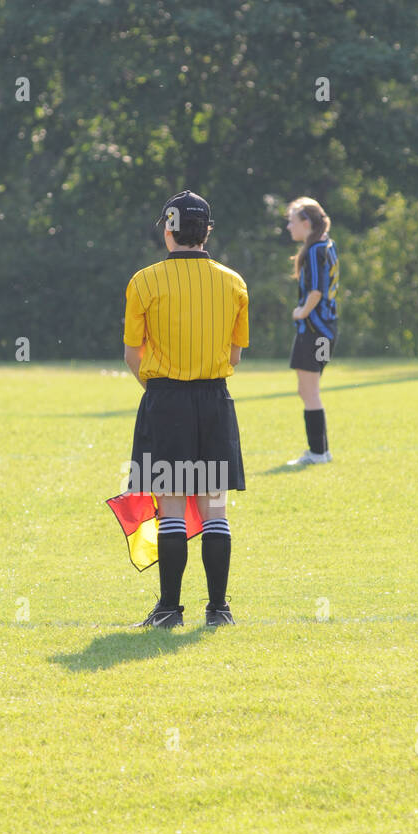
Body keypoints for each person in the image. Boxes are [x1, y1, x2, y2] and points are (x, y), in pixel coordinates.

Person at [123, 190, 249, 627]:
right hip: (214, 401)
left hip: (166, 401)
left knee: (171, 506)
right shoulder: (233, 282)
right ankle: (219, 610)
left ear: (168, 228)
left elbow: (131, 354)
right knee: (215, 506)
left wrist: (159, 388)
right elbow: (234, 357)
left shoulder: (144, 281)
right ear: (207, 231)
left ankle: (169, 610)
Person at [285, 196, 338, 464]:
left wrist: (300, 312)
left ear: (306, 222)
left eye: (291, 221)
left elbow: (316, 291)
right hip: (323, 330)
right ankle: (321, 451)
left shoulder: (317, 249)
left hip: (316, 330)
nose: (288, 227)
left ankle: (318, 452)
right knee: (307, 391)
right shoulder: (325, 244)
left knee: (309, 391)